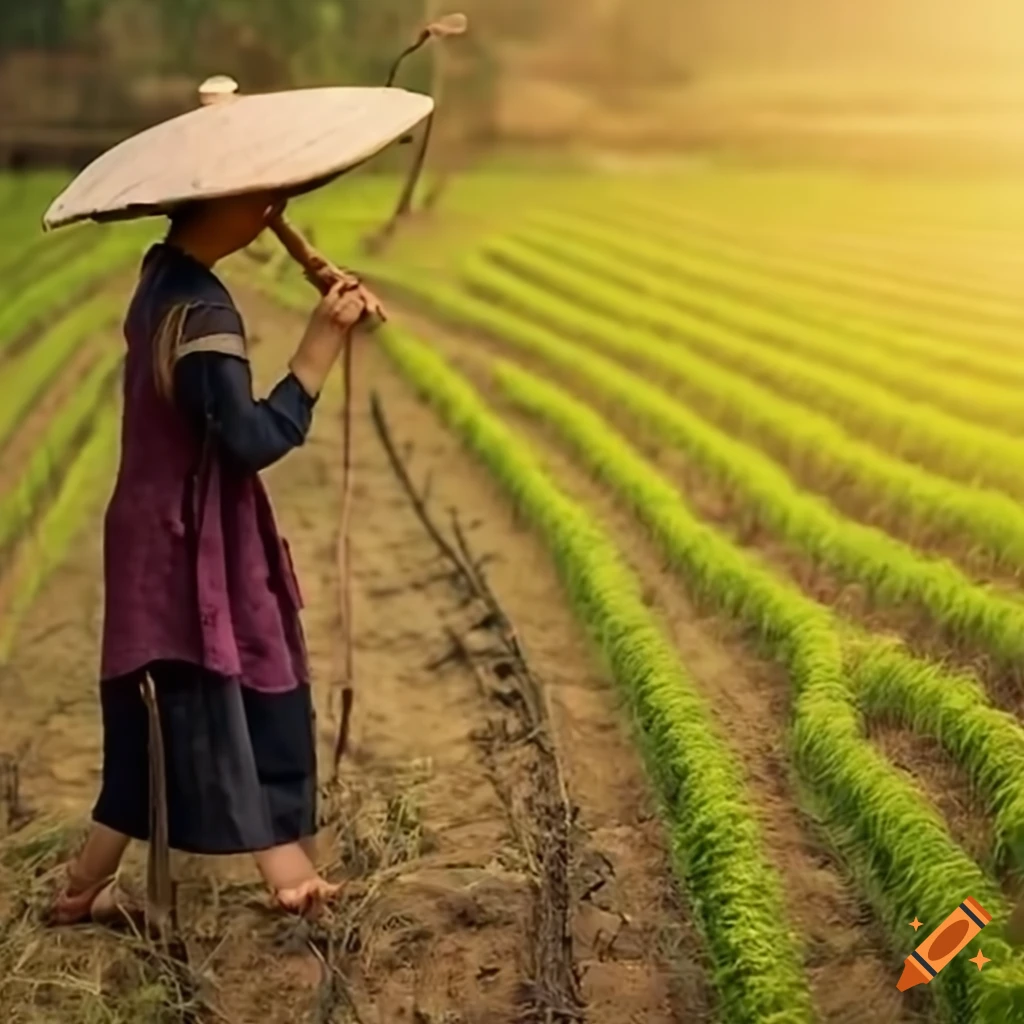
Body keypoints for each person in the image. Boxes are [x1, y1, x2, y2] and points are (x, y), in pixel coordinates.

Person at [50, 190, 365, 925]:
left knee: (152, 711)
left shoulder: (164, 276)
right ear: (226, 204)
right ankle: (286, 869)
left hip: (160, 528)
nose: (274, 211)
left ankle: (79, 886)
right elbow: (249, 440)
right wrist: (318, 349)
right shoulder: (203, 311)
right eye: (265, 199)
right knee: (216, 692)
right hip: (189, 537)